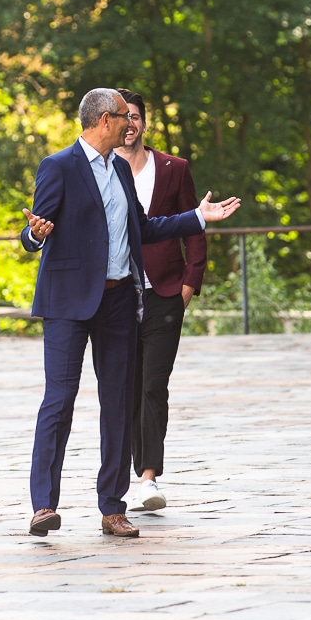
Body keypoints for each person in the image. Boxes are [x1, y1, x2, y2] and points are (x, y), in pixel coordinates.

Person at [20, 88, 241, 538]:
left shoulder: (119, 168)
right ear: (104, 120)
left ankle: (112, 506)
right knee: (58, 402)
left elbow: (142, 228)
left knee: (119, 404)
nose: (131, 124)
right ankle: (44, 505)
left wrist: (197, 217)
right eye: (125, 117)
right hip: (68, 304)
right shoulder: (58, 167)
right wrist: (35, 234)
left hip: (119, 302)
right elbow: (33, 232)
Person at [115, 88, 207, 513]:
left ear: (144, 123)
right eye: (122, 116)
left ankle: (149, 478)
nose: (129, 123)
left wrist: (190, 281)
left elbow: (193, 225)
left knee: (153, 385)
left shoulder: (173, 168)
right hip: (115, 296)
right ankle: (128, 474)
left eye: (135, 116)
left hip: (165, 293)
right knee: (126, 388)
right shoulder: (101, 169)